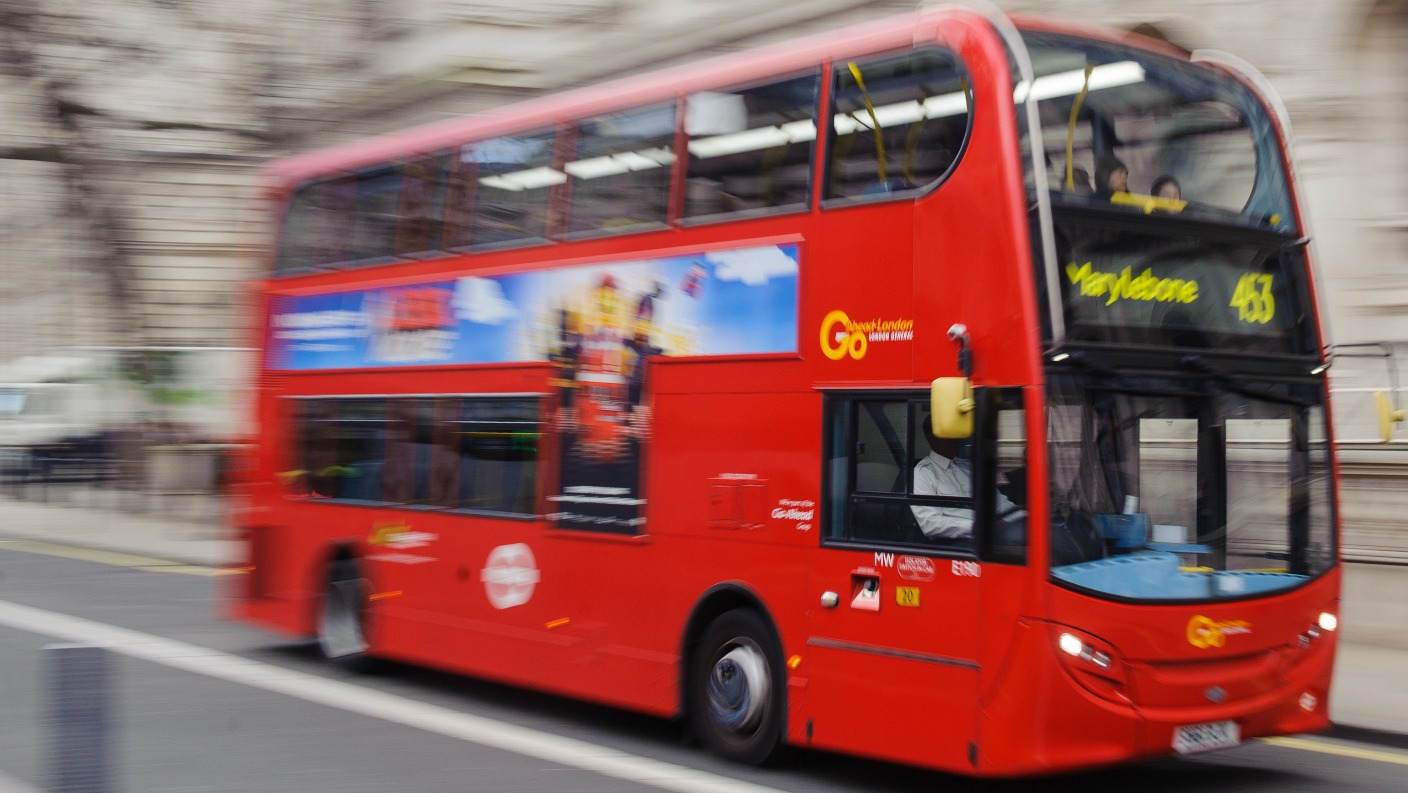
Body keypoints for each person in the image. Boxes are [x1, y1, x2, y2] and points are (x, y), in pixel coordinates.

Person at [911, 416, 1023, 539]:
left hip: (993, 535)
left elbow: (999, 502)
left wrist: (1024, 516)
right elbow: (930, 523)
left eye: (956, 432)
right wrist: (977, 526)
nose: (955, 438)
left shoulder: (969, 467)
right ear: (931, 438)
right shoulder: (923, 473)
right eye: (948, 433)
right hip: (960, 542)